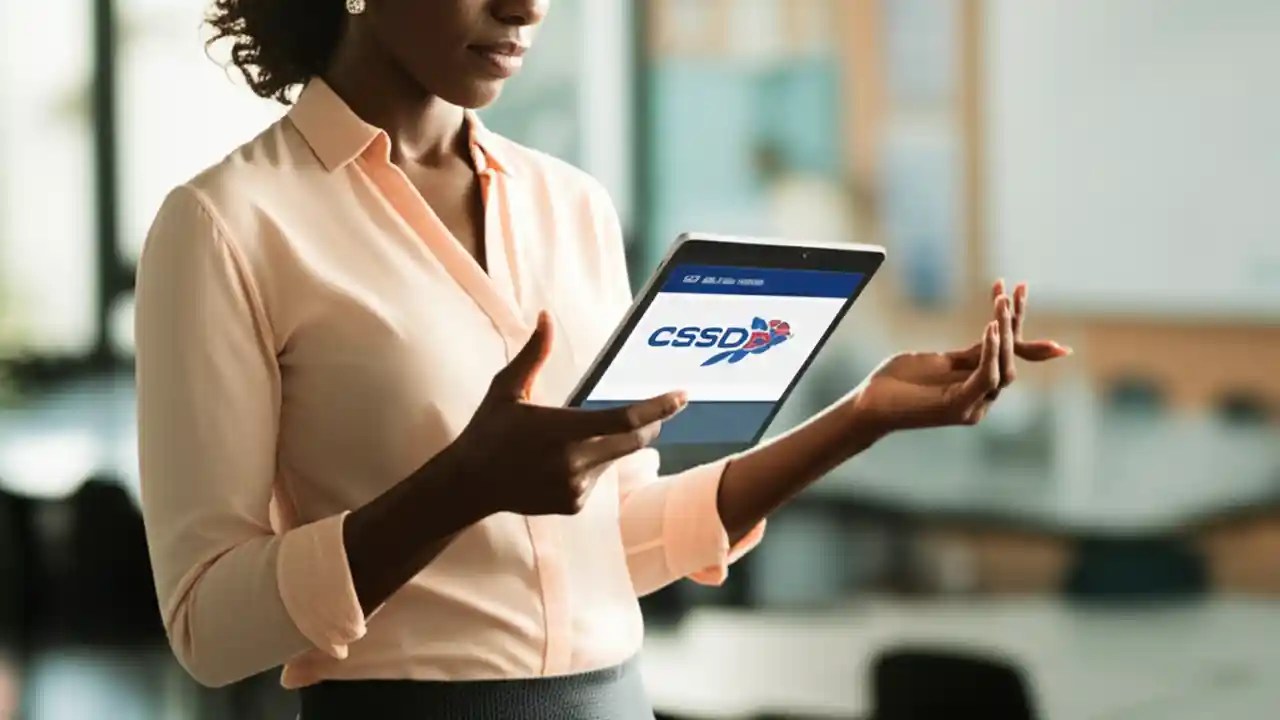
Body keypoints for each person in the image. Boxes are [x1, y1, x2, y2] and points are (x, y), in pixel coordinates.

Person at [133, 1, 1071, 717]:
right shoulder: (227, 226)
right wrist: (463, 485)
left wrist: (861, 418)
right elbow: (209, 628)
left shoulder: (571, 205)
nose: (529, 7)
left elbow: (614, 540)